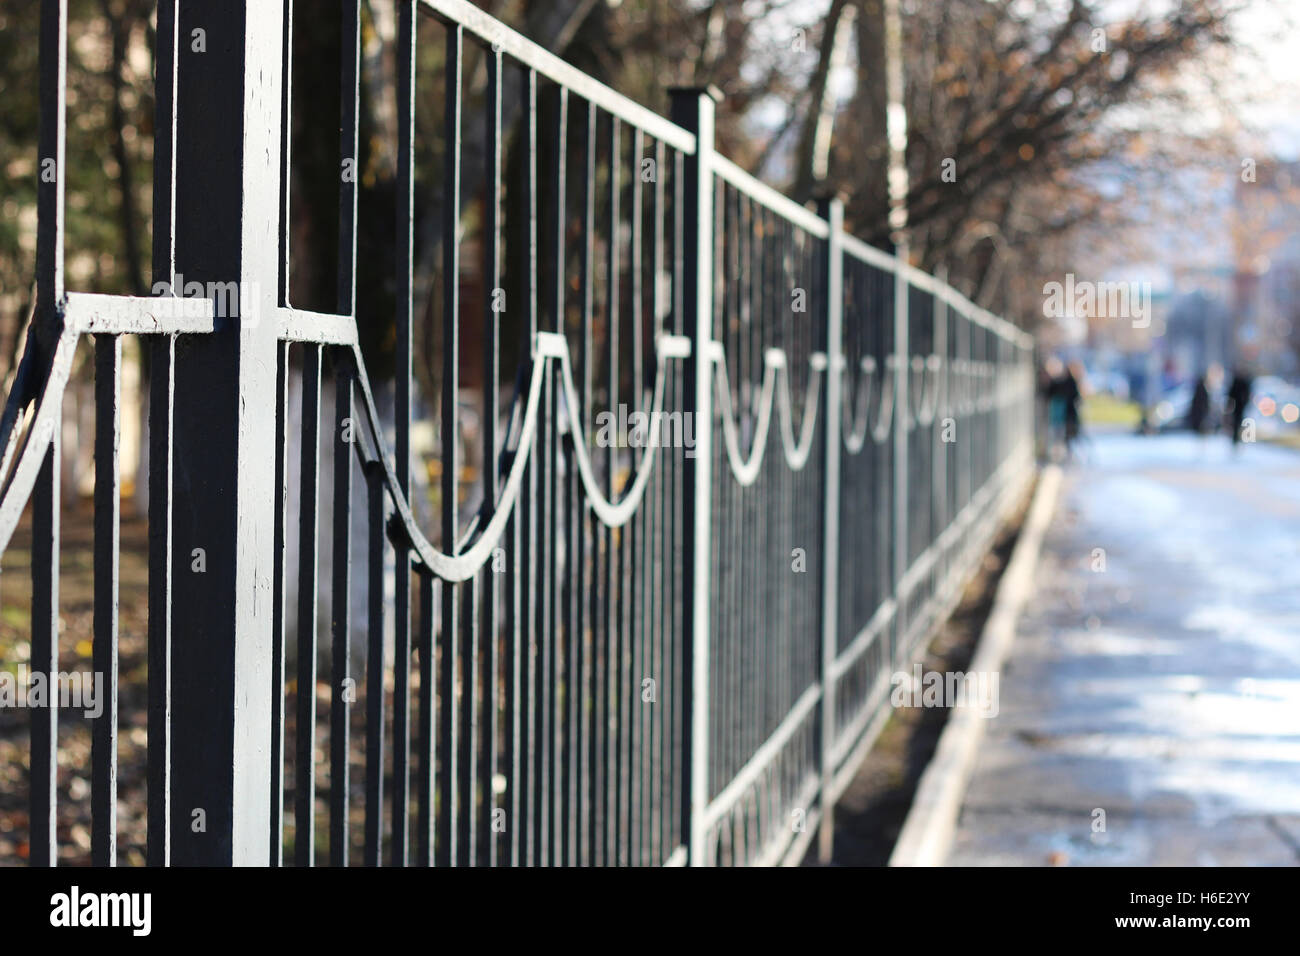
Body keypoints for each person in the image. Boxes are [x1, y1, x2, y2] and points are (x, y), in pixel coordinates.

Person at [1226, 369, 1253, 447]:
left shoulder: (1243, 382)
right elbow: (1231, 393)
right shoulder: (1237, 381)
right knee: (1236, 421)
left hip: (1240, 405)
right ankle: (1236, 438)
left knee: (1239, 421)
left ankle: (1237, 437)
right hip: (1237, 405)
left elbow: (1247, 394)